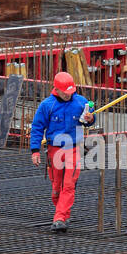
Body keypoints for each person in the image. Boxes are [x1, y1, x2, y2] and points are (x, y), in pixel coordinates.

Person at [29, 71, 95, 232]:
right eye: (66, 93)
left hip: (74, 148)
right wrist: (35, 151)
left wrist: (90, 119)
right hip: (54, 150)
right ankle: (63, 213)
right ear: (56, 90)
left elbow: (90, 120)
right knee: (57, 188)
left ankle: (59, 218)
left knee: (69, 185)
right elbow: (37, 128)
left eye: (71, 92)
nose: (68, 96)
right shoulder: (47, 106)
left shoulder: (80, 103)